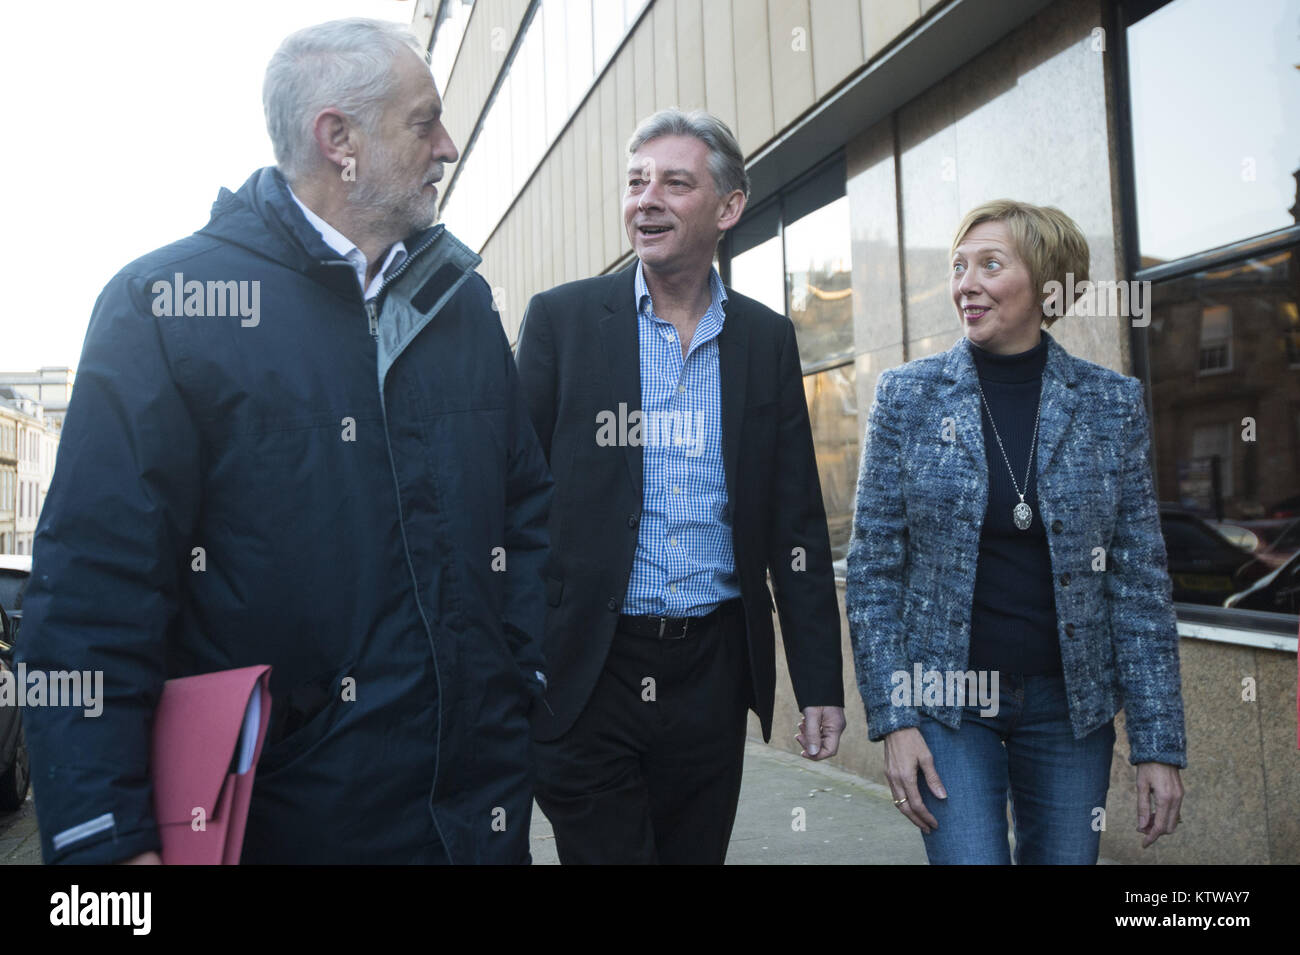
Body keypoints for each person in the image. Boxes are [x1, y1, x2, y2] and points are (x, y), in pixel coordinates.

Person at [17, 18, 552, 864]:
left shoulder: (462, 305)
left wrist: (524, 681)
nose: (447, 146)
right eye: (425, 122)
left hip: (479, 821)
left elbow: (526, 514)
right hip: (285, 824)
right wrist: (104, 851)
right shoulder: (163, 307)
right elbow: (90, 595)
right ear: (338, 138)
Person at [514, 108, 845, 865]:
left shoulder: (765, 340)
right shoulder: (562, 323)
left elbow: (795, 522)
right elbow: (514, 501)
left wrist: (820, 681)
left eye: (674, 182)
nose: (646, 199)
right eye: (636, 182)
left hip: (712, 672)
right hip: (587, 672)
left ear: (727, 208)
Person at [847, 199, 1186, 864]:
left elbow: (1140, 581)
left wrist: (1158, 745)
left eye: (990, 265)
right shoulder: (907, 398)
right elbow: (873, 570)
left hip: (1069, 707)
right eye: (958, 266)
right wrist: (894, 719)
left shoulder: (1110, 404)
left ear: (1048, 285)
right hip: (946, 700)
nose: (964, 283)